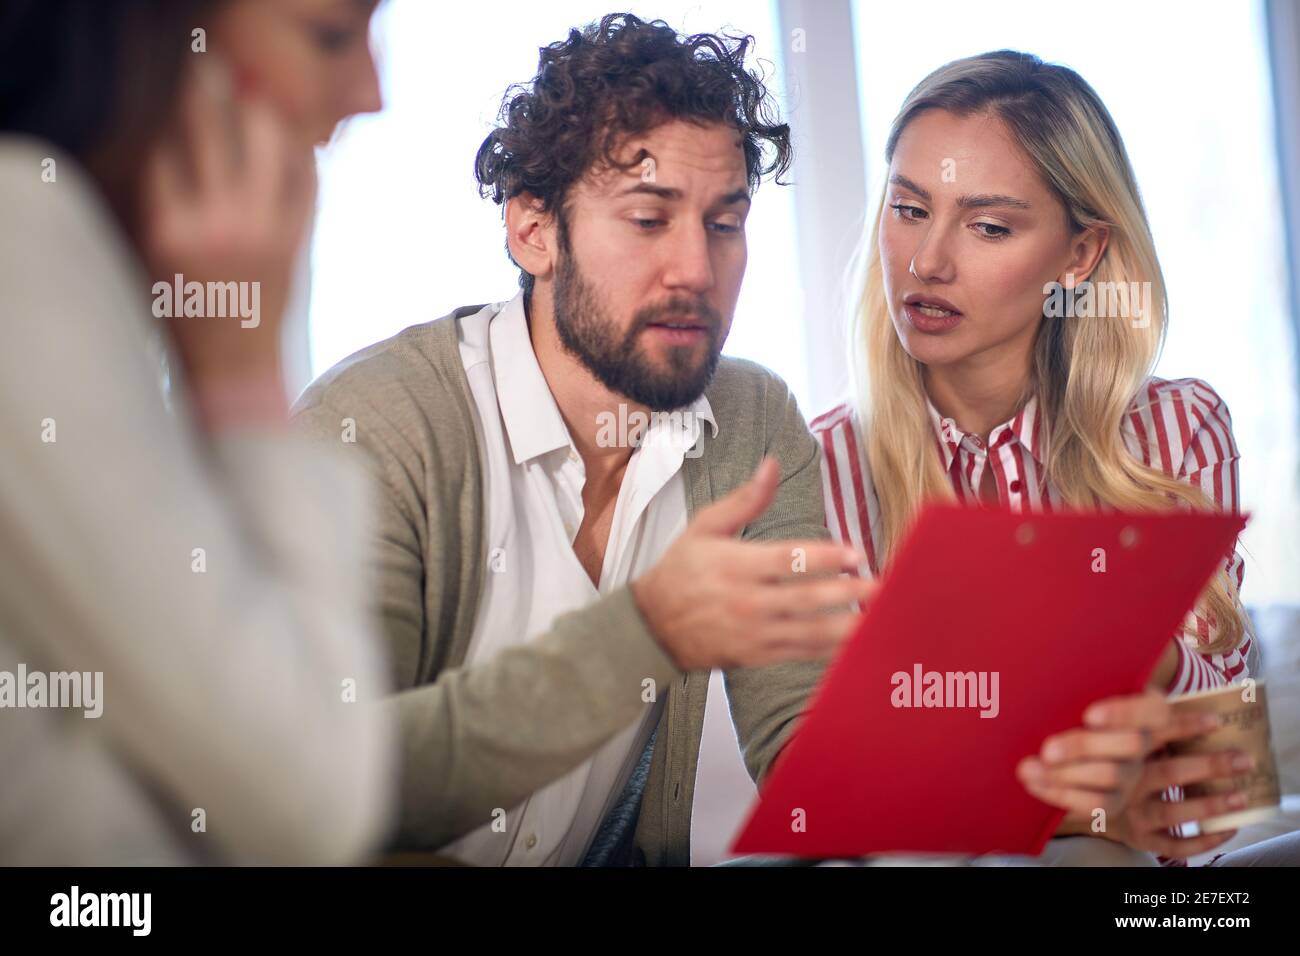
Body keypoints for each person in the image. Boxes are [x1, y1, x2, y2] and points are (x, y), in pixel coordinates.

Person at [293, 13, 873, 866]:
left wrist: (1030, 782)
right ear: (534, 231)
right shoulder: (377, 427)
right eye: (648, 219)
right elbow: (328, 785)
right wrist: (646, 630)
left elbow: (809, 750)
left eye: (724, 222)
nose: (696, 270)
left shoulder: (752, 422)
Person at [814, 50, 1294, 865]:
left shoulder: (1177, 433)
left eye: (988, 226)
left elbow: (1221, 775)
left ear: (1081, 256)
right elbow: (846, 795)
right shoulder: (819, 468)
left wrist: (1137, 657)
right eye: (908, 208)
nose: (927, 262)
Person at [0, 0, 394, 864]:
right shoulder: (21, 234)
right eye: (329, 35)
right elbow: (312, 799)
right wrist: (244, 367)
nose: (372, 91)